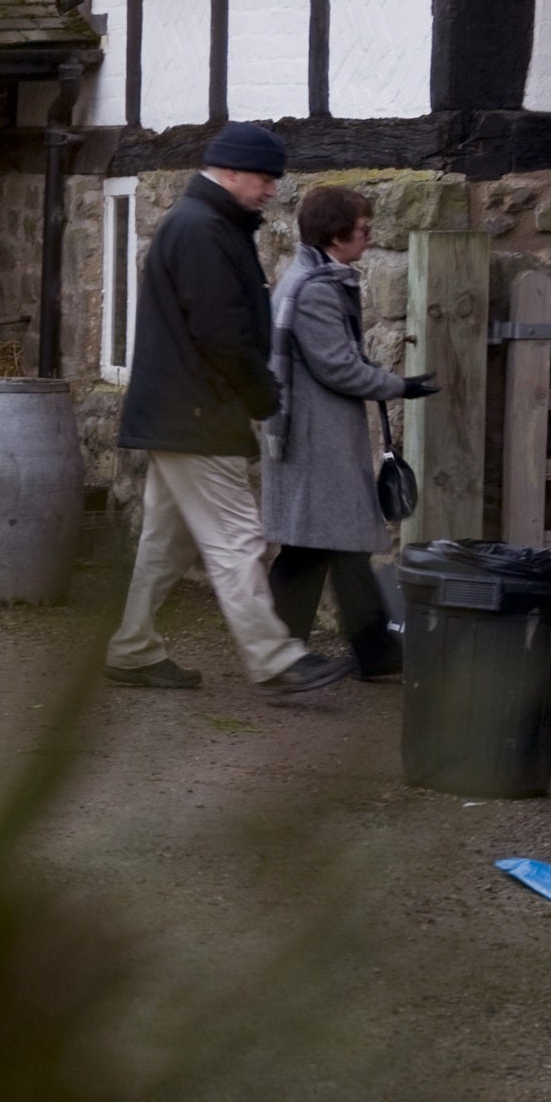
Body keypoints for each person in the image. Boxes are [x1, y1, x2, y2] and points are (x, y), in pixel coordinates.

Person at [106, 123, 351, 695]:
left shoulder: (204, 224)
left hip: (181, 412)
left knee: (165, 542)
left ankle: (133, 649)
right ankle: (276, 659)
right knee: (237, 537)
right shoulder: (203, 229)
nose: (271, 189)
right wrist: (261, 393)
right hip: (197, 414)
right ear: (231, 172)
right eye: (264, 177)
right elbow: (222, 333)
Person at [261, 185, 439, 680]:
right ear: (336, 235)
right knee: (312, 548)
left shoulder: (309, 276)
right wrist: (399, 386)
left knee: (335, 545)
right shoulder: (315, 288)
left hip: (313, 435)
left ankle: (371, 653)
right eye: (363, 229)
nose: (369, 236)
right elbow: (338, 367)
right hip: (315, 440)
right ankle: (277, 655)